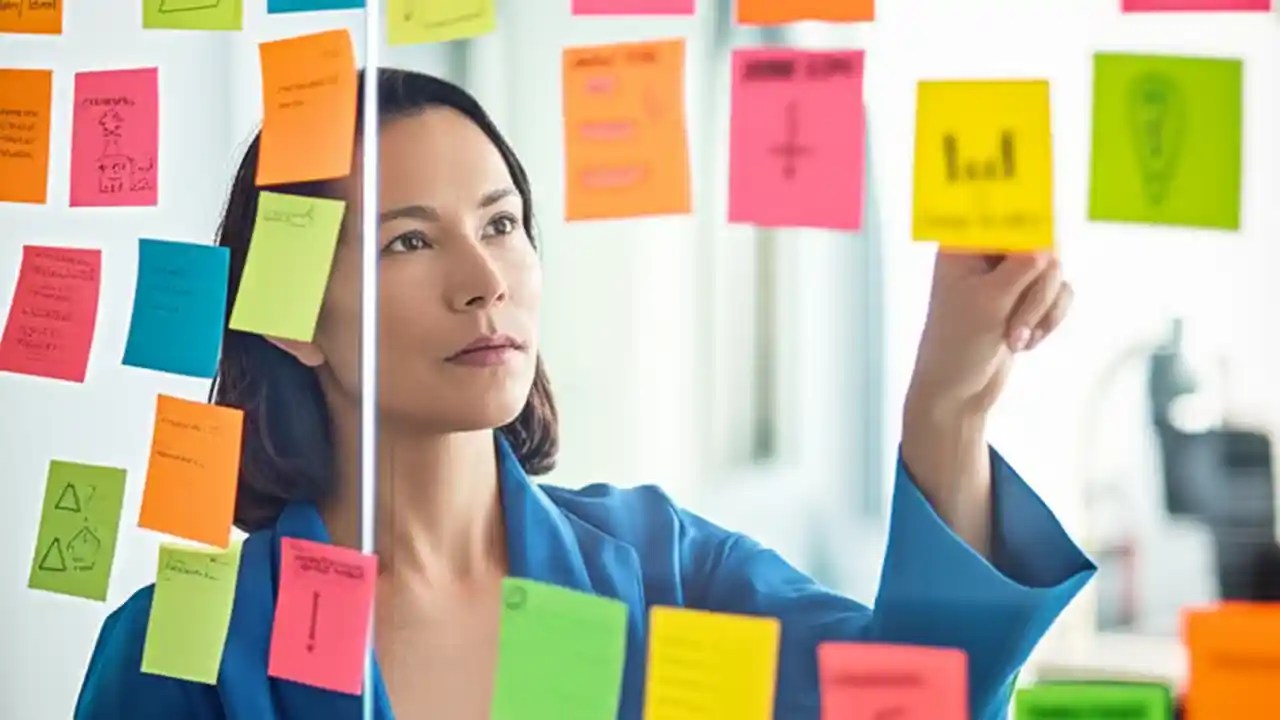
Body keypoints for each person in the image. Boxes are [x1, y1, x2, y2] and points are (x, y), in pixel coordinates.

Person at [75, 68, 1093, 720]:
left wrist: (944, 411)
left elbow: (926, 699)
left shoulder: (670, 570)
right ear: (292, 315)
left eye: (503, 222)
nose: (484, 279)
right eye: (409, 241)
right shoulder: (182, 645)